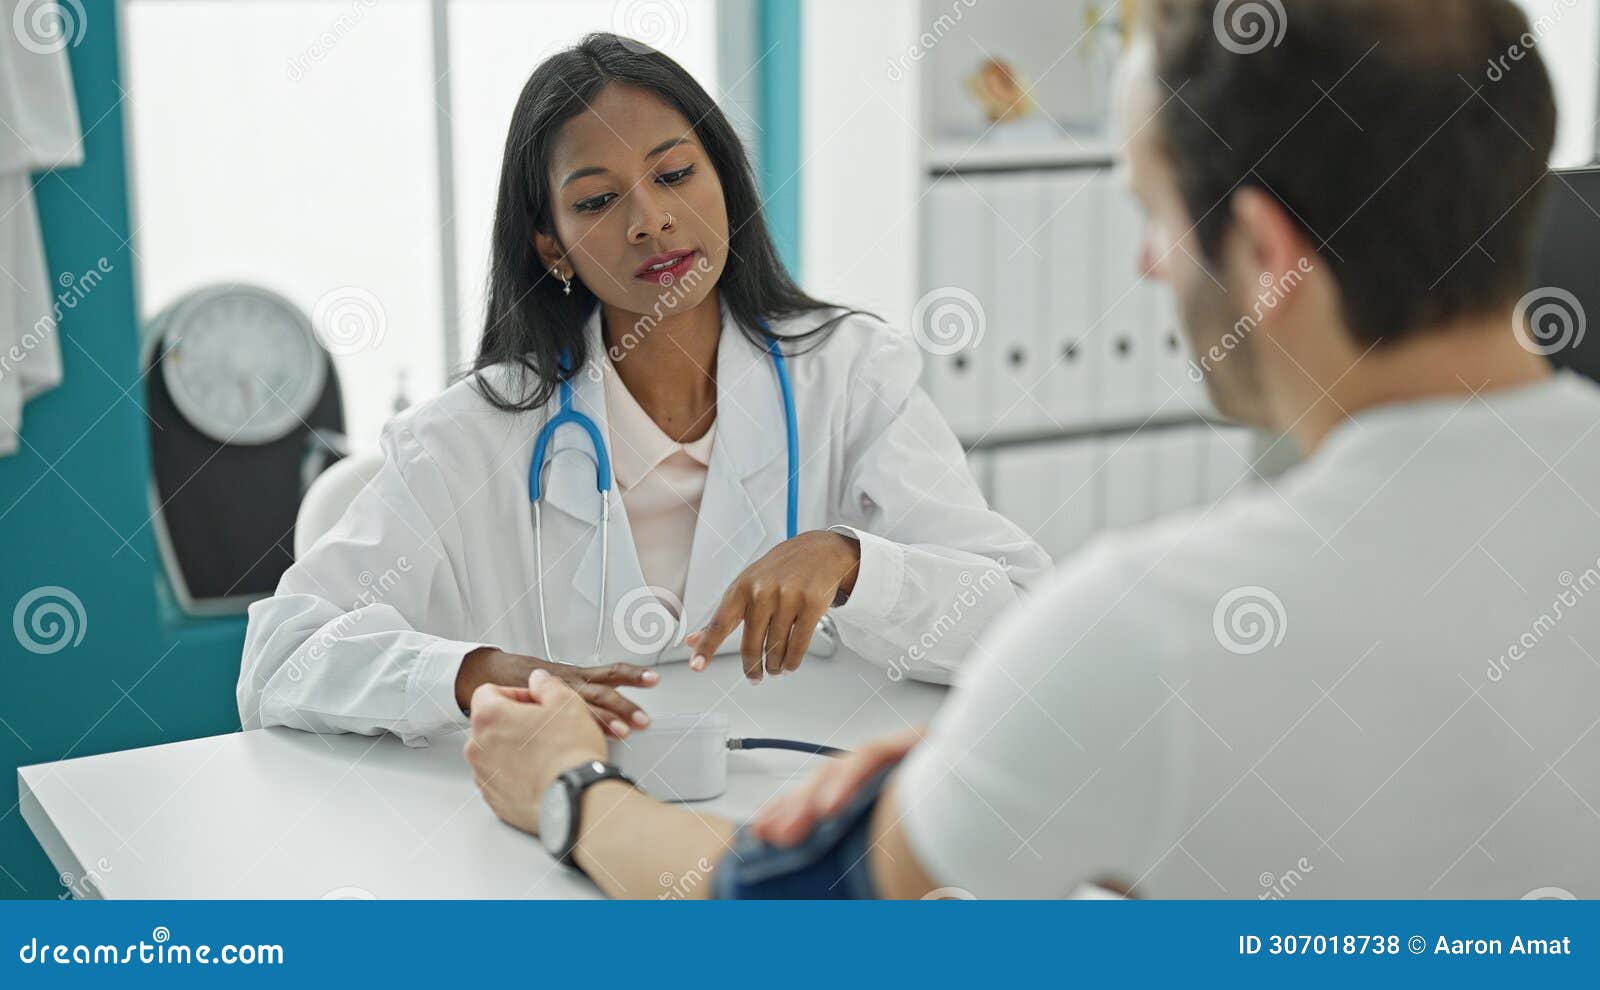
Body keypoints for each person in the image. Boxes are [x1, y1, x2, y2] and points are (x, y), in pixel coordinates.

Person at [465, 0, 1600, 899]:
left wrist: (569, 788)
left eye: (1154, 215)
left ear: (1262, 252)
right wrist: (998, 764)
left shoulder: (1146, 632)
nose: (1150, 267)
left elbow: (781, 912)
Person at [238, 34, 1048, 748]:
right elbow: (280, 659)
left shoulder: (850, 375)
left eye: (674, 174)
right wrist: (478, 672)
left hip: (789, 816)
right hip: (552, 828)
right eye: (597, 200)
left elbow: (1021, 618)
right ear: (552, 246)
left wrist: (851, 562)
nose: (650, 220)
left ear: (724, 181)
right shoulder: (464, 440)